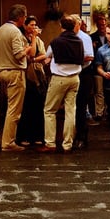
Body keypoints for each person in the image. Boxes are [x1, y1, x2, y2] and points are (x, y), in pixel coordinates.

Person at [38, 14, 84, 152]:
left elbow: (47, 56)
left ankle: (50, 143)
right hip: (75, 78)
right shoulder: (79, 41)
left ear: (61, 27)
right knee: (71, 111)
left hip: (59, 78)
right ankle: (67, 144)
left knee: (49, 110)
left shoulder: (56, 41)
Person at [0, 3, 34, 152]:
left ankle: (7, 140)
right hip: (15, 72)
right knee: (14, 110)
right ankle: (8, 142)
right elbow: (18, 55)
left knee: (9, 107)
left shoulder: (1, 30)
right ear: (19, 17)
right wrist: (28, 48)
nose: (25, 19)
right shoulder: (15, 32)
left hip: (2, 71)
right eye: (24, 16)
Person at [18, 15, 47, 146]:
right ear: (25, 26)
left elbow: (44, 54)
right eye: (31, 25)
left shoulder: (39, 40)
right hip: (26, 75)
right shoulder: (22, 39)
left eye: (35, 25)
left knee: (38, 106)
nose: (34, 28)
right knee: (26, 106)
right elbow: (31, 53)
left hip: (38, 74)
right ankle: (24, 136)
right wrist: (34, 39)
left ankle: (38, 135)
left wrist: (35, 59)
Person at [73, 17, 96, 149]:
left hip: (83, 73)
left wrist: (74, 59)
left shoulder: (85, 38)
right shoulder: (66, 36)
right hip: (70, 73)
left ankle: (81, 136)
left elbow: (90, 57)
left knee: (81, 105)